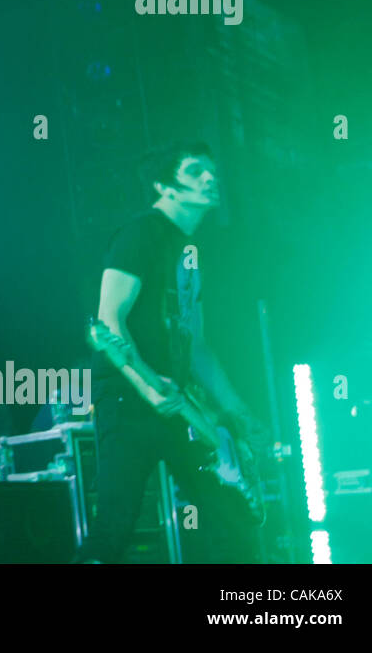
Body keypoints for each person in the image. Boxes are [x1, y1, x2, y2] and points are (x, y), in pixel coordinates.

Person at [78, 141, 264, 563]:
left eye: (212, 170)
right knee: (115, 526)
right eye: (196, 170)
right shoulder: (140, 233)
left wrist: (238, 411)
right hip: (128, 397)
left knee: (233, 524)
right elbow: (108, 322)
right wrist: (147, 386)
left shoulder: (191, 251)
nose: (210, 178)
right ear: (165, 186)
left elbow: (196, 345)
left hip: (180, 406)